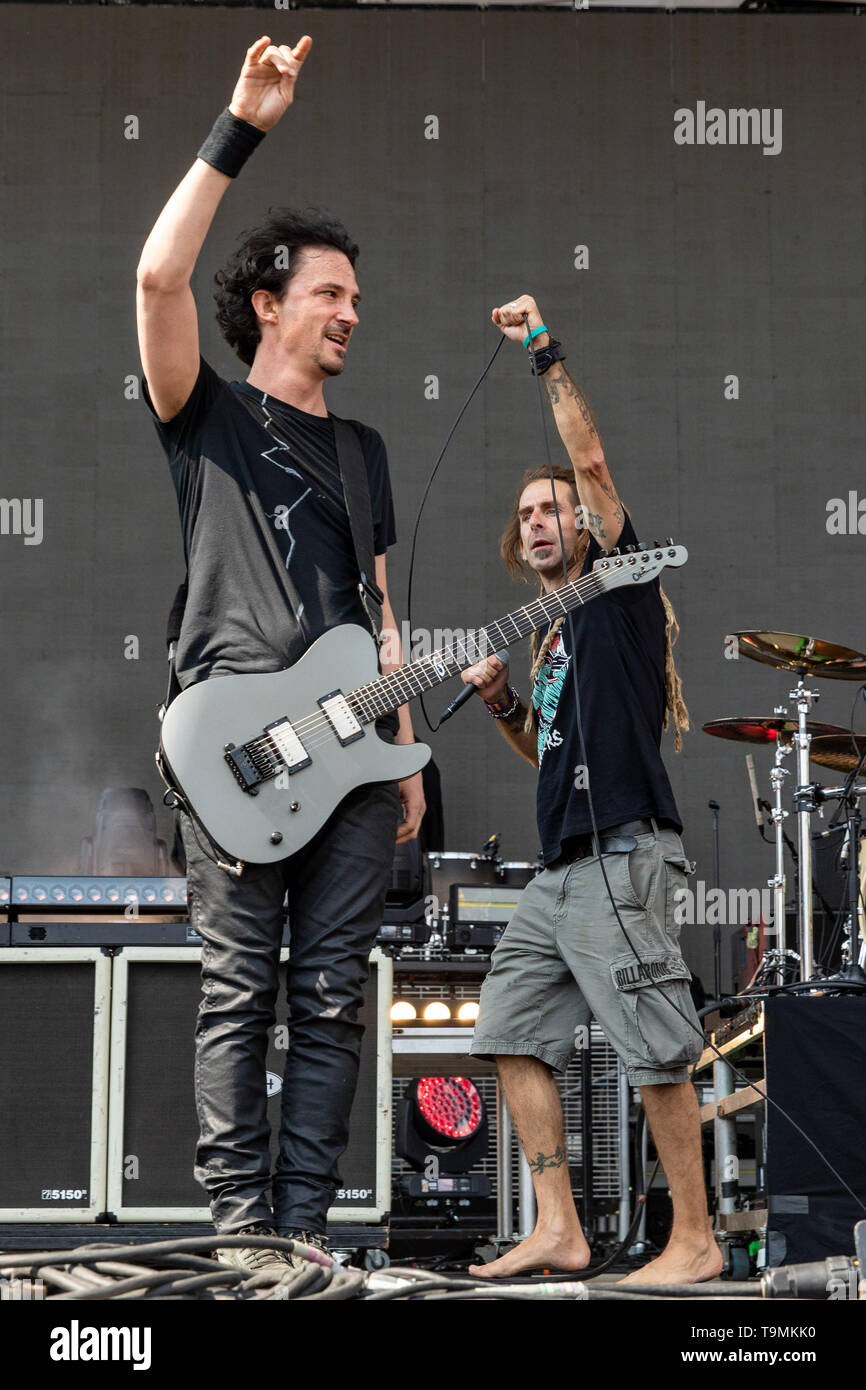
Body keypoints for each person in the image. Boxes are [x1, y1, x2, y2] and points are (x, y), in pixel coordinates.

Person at [135, 36, 424, 1274]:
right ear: (268, 300)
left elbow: (374, 604)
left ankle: (303, 1232)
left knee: (329, 998)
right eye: (330, 294)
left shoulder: (361, 450)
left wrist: (405, 755)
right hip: (230, 743)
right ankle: (238, 1234)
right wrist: (237, 127)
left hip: (354, 753)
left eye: (358, 300)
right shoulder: (205, 409)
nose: (351, 313)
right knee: (237, 989)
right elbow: (155, 276)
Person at [461, 294, 721, 1285]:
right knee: (505, 1033)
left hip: (621, 857)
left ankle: (692, 1243)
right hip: (562, 872)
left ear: (584, 518)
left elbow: (594, 461)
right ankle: (559, 1229)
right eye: (523, 513)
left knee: (655, 1050)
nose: (536, 520)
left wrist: (539, 348)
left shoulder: (614, 586)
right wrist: (501, 706)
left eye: (550, 506)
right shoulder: (554, 633)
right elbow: (549, 752)